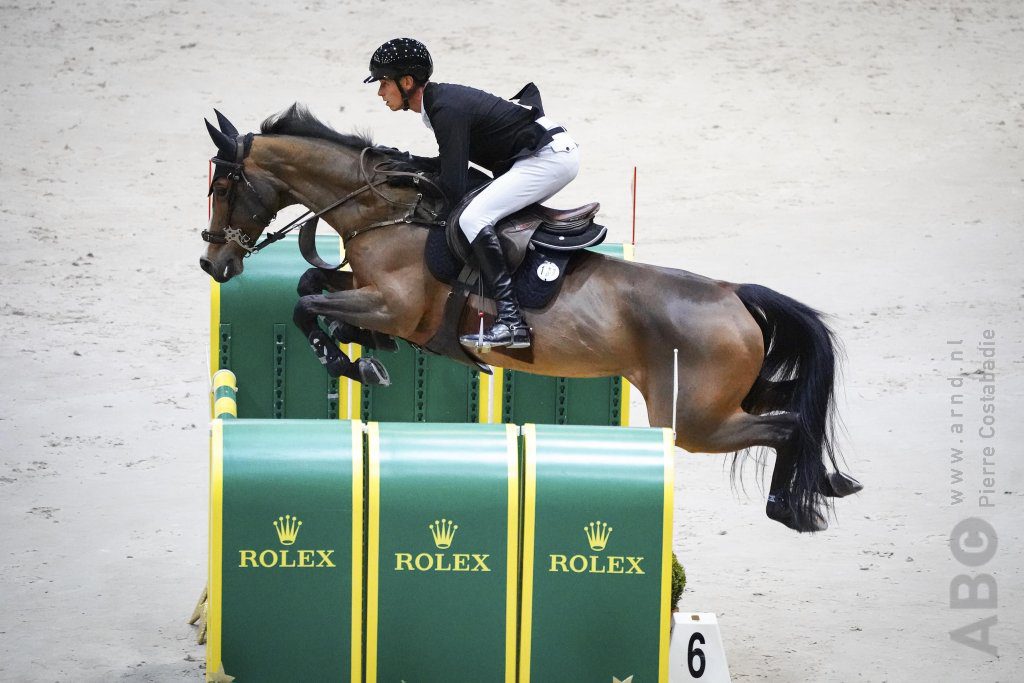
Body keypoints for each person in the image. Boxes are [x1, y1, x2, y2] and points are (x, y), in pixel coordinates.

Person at [363, 37, 580, 350]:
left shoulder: (445, 108)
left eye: (384, 83)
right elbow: (449, 164)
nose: (380, 92)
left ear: (407, 81)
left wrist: (409, 176)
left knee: (473, 217)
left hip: (549, 159)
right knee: (476, 211)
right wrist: (405, 161)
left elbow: (451, 185)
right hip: (541, 155)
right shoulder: (439, 103)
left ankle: (511, 320)